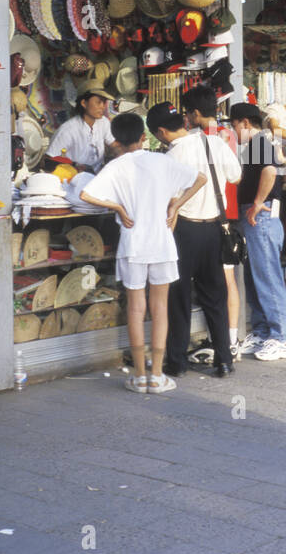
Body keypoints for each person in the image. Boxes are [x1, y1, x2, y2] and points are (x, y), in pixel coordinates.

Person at [81, 112, 206, 394]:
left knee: (136, 309)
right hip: (162, 242)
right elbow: (200, 179)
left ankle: (139, 375)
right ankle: (157, 375)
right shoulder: (162, 160)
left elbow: (85, 195)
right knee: (160, 309)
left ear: (116, 141)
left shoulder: (116, 166)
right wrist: (175, 207)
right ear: (143, 137)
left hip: (132, 243)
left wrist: (119, 209)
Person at [147, 101, 241, 379]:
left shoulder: (169, 158)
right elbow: (235, 177)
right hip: (214, 229)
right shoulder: (214, 143)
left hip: (183, 231)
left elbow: (166, 200)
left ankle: (177, 361)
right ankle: (224, 360)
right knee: (215, 297)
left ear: (161, 132)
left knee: (178, 297)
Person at [181, 85, 243, 361]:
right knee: (216, 290)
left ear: (195, 114)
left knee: (192, 290)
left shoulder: (196, 141)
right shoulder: (223, 137)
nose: (184, 117)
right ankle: (224, 352)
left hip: (199, 222)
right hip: (219, 220)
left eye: (186, 113)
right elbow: (236, 176)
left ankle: (222, 343)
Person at [230, 103, 286, 362]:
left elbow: (269, 170)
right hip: (255, 217)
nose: (233, 131)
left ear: (244, 123)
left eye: (234, 125)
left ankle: (281, 337)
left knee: (267, 276)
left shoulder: (259, 142)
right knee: (256, 278)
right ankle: (263, 331)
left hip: (262, 217)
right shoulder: (257, 145)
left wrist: (257, 202)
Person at [47, 86, 116, 173]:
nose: (102, 107)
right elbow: (49, 160)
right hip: (73, 179)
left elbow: (114, 145)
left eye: (104, 102)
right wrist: (73, 166)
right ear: (84, 103)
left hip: (98, 175)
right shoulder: (68, 130)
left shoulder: (104, 122)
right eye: (98, 102)